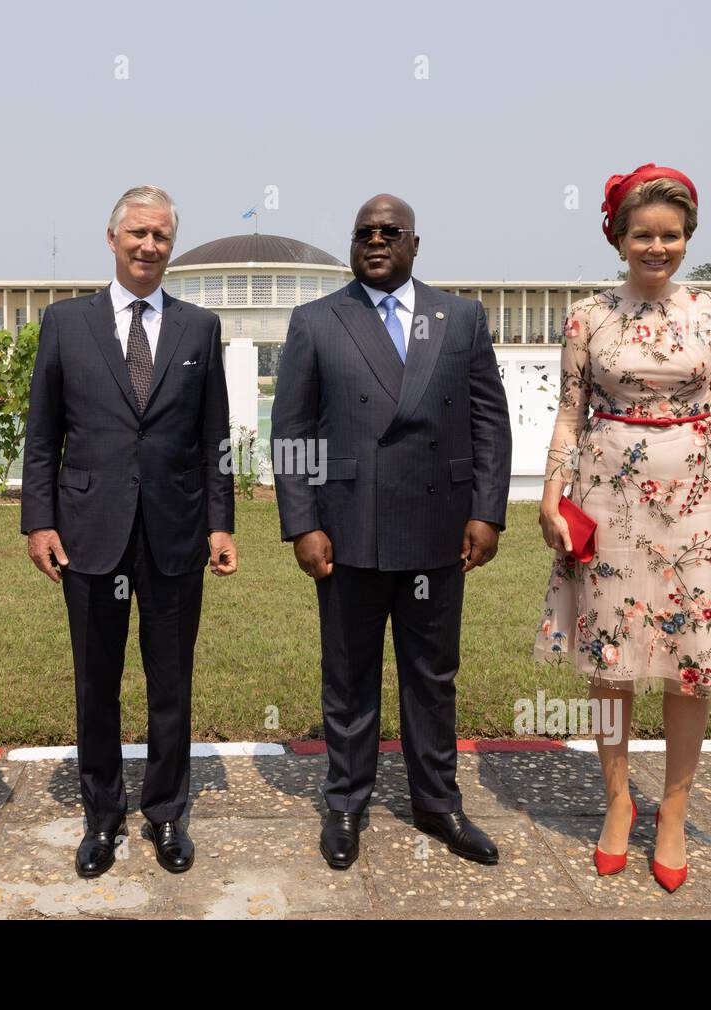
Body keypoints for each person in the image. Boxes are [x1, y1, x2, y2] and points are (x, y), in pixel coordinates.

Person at [534, 164, 711, 893]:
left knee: (693, 660)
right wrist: (552, 495)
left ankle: (672, 811)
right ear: (618, 236)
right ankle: (617, 802)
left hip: (700, 509)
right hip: (609, 503)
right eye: (643, 234)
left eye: (670, 235)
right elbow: (569, 413)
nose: (657, 246)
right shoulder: (587, 315)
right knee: (611, 664)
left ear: (687, 239)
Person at [272, 194, 512, 870]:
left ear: (414, 242)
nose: (375, 241)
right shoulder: (317, 321)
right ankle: (346, 802)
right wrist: (302, 523)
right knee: (347, 677)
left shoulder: (458, 317)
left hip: (437, 530)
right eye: (363, 232)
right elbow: (290, 431)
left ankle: (437, 803)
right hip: (346, 530)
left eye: (389, 232)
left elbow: (489, 419)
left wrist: (486, 510)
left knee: (432, 677)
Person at [21, 186, 237, 878]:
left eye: (163, 237)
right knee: (97, 682)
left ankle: (167, 813)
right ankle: (102, 816)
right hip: (90, 534)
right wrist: (39, 522)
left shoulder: (199, 329)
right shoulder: (65, 324)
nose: (150, 246)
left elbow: (215, 441)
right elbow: (42, 437)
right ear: (111, 238)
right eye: (138, 233)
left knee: (171, 682)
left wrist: (221, 523)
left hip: (174, 537)